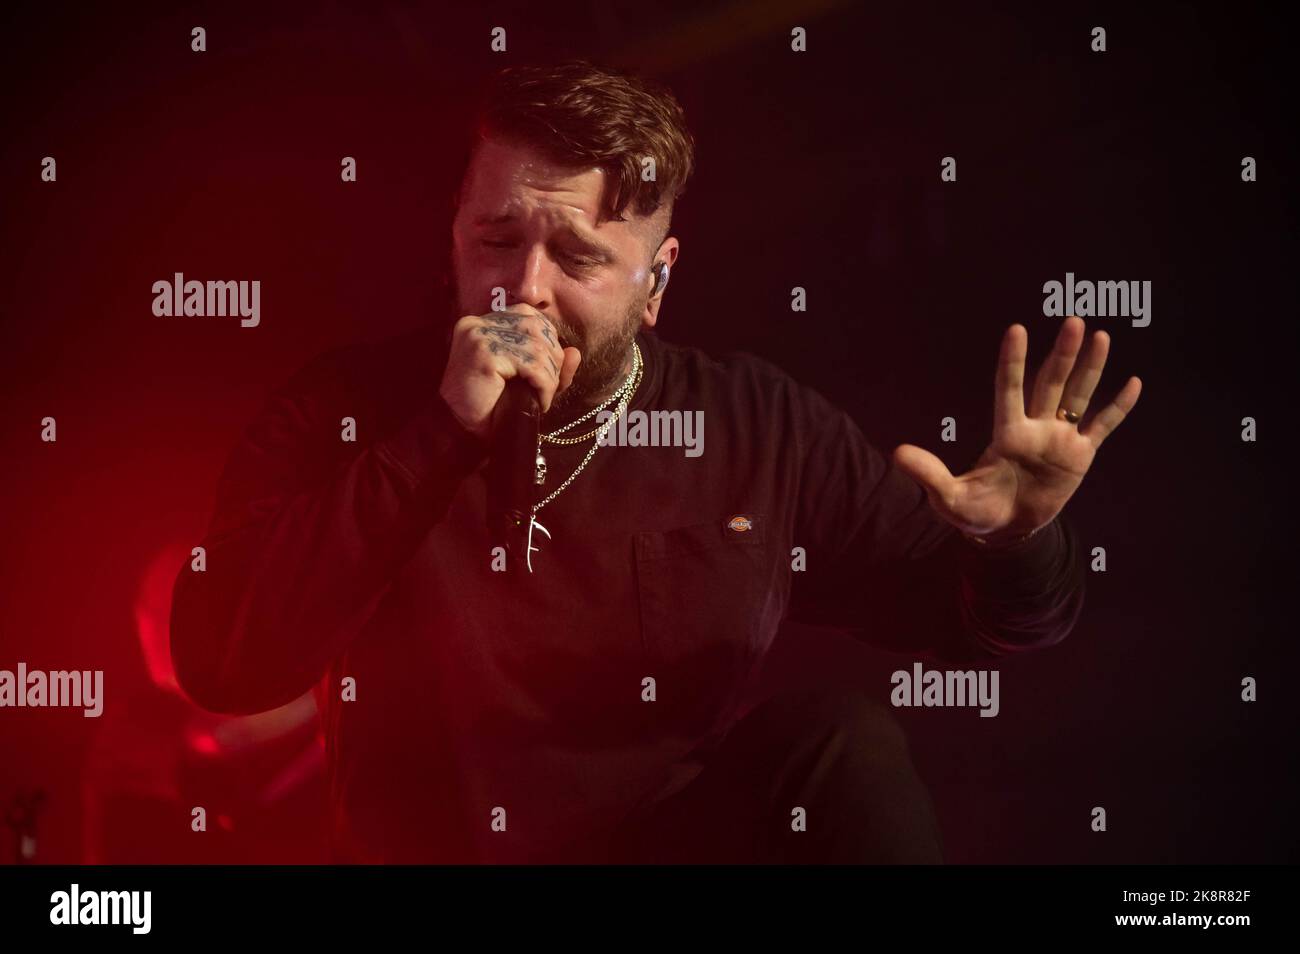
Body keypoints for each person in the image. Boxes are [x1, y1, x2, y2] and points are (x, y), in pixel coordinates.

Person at [169, 59, 1141, 864]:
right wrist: (437, 439)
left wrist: (1019, 540)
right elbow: (221, 663)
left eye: (579, 257)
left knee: (841, 748)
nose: (524, 292)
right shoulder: (343, 406)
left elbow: (987, 628)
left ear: (657, 281)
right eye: (495, 239)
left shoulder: (756, 426)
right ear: (454, 233)